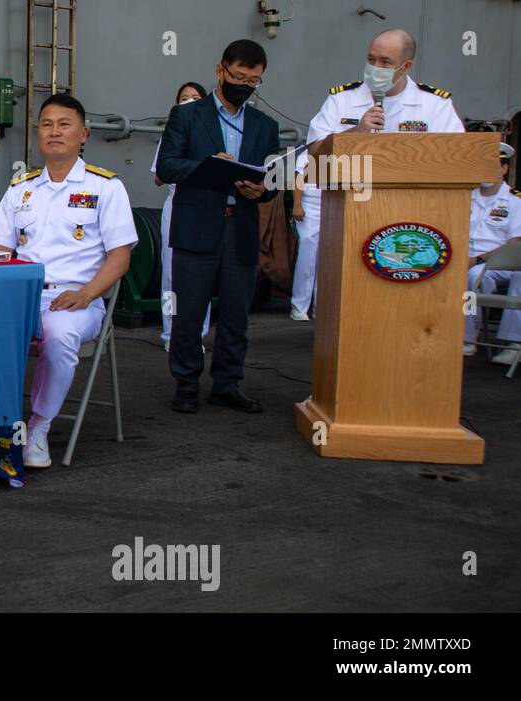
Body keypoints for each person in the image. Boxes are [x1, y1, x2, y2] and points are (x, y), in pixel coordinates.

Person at [0, 93, 136, 467]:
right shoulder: (20, 188)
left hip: (77, 298)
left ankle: (37, 428)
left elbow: (121, 257)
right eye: (47, 124)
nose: (54, 132)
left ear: (83, 134)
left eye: (64, 124)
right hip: (22, 295)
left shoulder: (106, 188)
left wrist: (86, 294)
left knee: (60, 333)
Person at [290, 28, 463, 321]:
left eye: (385, 61)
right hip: (350, 215)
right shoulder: (341, 100)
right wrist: (355, 132)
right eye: (371, 59)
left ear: (405, 67)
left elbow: (457, 160)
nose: (376, 67)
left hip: (410, 219)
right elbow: (315, 153)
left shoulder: (434, 105)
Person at [157, 39, 281, 414]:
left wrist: (260, 189)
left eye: (254, 80)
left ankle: (227, 383)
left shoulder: (265, 125)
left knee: (236, 315)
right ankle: (186, 383)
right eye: (239, 76)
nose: (245, 84)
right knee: (189, 311)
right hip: (197, 225)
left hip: (240, 227)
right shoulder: (188, 116)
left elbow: (271, 182)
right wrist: (210, 165)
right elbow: (167, 167)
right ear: (220, 71)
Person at [151, 81, 211, 350]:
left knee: (202, 276)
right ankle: (170, 333)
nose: (189, 101)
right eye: (184, 98)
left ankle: (196, 335)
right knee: (171, 276)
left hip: (206, 207)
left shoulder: (213, 135)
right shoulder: (172, 134)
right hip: (176, 207)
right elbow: (159, 177)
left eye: (195, 97)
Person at [465, 142, 521, 364]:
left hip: (499, 263)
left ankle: (514, 343)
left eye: (493, 165)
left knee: (473, 276)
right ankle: (466, 337)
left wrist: (478, 259)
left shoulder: (515, 201)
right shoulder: (466, 196)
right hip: (465, 260)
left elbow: (515, 242)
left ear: (504, 168)